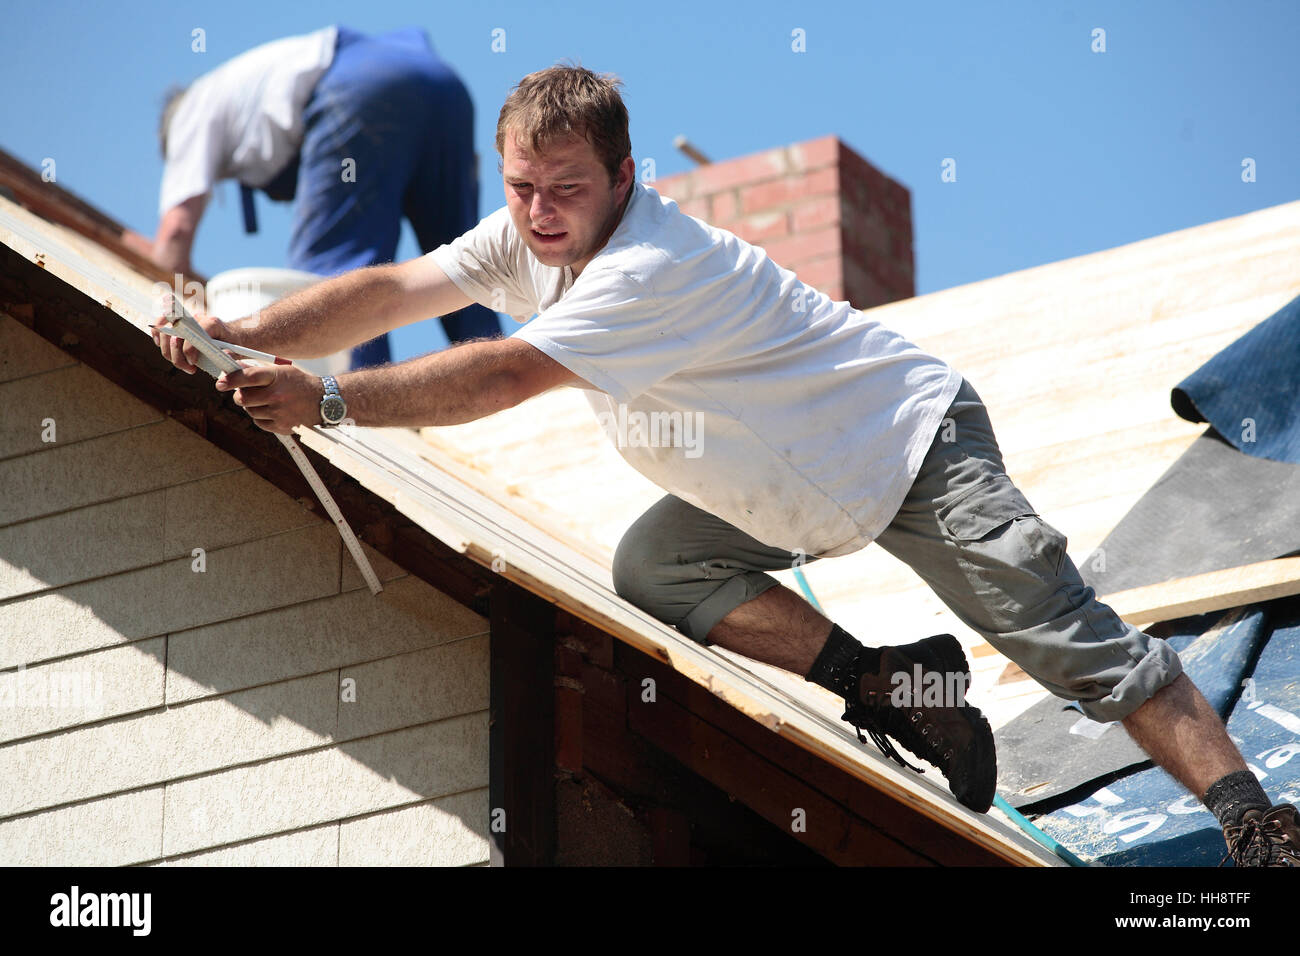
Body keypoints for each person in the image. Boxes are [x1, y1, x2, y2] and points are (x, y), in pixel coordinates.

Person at [153, 64, 1299, 866]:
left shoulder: (650, 264)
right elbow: (400, 289)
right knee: (657, 563)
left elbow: (503, 377)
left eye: (565, 190)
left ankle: (1254, 819)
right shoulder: (526, 227)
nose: (538, 215)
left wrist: (335, 397)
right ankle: (909, 690)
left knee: (1065, 640)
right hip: (771, 485)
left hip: (905, 445)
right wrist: (248, 339)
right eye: (518, 187)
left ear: (625, 174)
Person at [141, 25, 500, 368]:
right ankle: (501, 382)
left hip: (359, 87)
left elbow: (175, 234)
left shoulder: (190, 113)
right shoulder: (245, 87)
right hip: (442, 86)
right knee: (463, 262)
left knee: (335, 275)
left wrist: (174, 299)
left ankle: (352, 403)